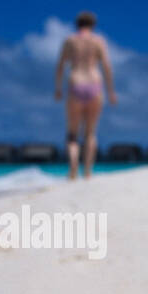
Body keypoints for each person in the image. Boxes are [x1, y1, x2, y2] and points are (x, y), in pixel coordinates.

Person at [54, 11, 117, 179]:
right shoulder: (98, 41)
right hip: (94, 84)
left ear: (77, 24)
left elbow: (60, 65)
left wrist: (58, 88)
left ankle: (73, 167)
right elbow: (106, 66)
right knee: (90, 132)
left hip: (76, 83)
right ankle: (88, 171)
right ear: (93, 25)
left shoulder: (70, 41)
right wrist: (111, 91)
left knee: (72, 133)